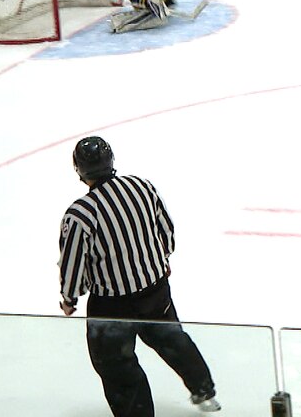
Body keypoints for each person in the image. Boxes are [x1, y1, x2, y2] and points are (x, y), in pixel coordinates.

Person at [59, 136, 220, 415]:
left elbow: (73, 263)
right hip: (155, 290)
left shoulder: (81, 213)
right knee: (171, 339)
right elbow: (166, 229)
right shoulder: (141, 186)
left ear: (79, 169)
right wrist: (162, 258)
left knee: (115, 365)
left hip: (112, 306)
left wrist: (69, 298)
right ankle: (203, 388)